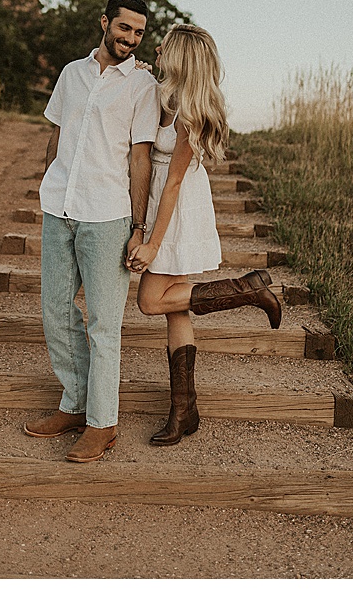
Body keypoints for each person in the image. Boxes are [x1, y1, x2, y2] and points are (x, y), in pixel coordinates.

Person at [127, 23, 280, 446]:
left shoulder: (190, 114)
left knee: (149, 301)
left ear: (180, 57)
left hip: (174, 210)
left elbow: (172, 183)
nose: (157, 47)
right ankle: (184, 411)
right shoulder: (163, 94)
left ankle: (245, 291)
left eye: (165, 46)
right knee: (175, 310)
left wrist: (152, 241)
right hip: (164, 200)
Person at [23, 0, 160, 463]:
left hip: (108, 215)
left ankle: (103, 424)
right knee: (55, 311)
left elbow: (141, 158)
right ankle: (75, 403)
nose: (131, 39)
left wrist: (139, 228)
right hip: (59, 206)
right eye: (124, 28)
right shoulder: (71, 74)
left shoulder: (143, 86)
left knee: (104, 325)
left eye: (139, 33)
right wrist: (49, 183)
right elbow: (56, 135)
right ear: (105, 23)